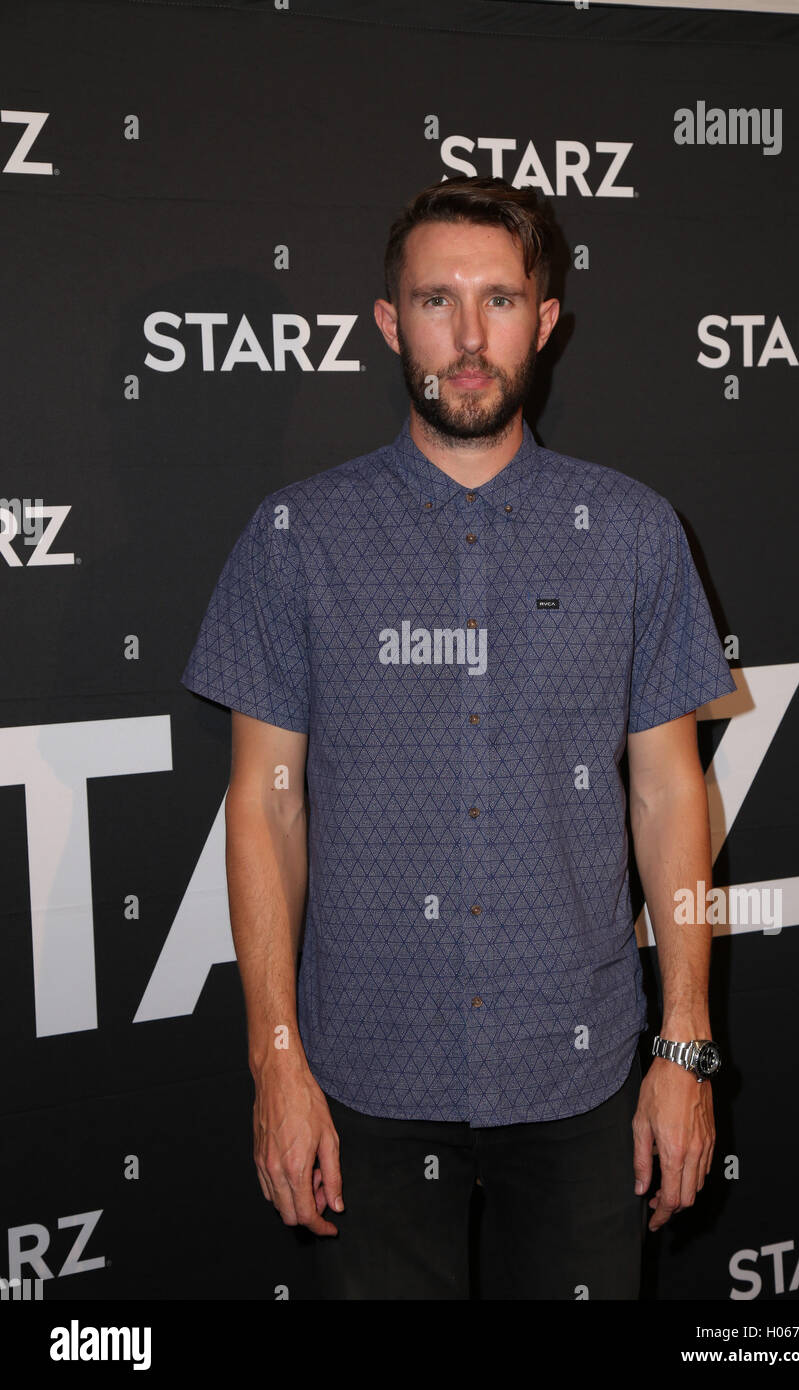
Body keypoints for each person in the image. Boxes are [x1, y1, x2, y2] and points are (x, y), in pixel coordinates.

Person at [181, 175, 736, 1300]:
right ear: (391, 324)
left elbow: (671, 797)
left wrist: (681, 1048)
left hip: (577, 1072)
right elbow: (264, 805)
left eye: (498, 299)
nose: (469, 337)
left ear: (545, 320)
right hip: (365, 1079)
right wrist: (273, 1060)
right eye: (436, 301)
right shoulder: (296, 539)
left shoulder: (630, 532)